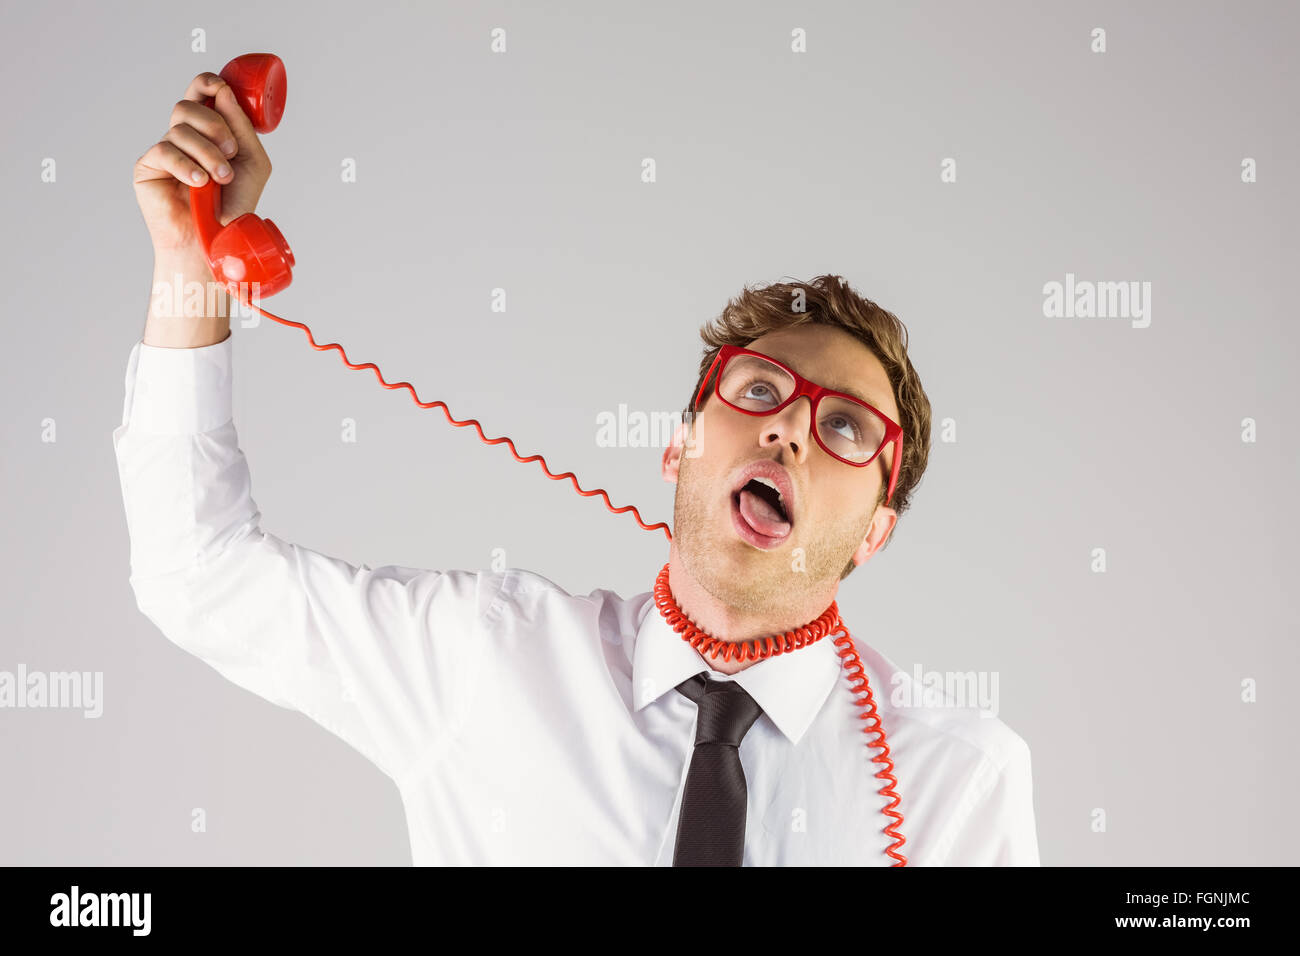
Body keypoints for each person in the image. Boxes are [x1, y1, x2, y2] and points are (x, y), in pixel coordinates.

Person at [117, 70, 1040, 866]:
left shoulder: (957, 780)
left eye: (843, 428)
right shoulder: (488, 658)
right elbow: (197, 573)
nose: (788, 432)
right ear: (679, 444)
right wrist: (187, 270)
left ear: (875, 532)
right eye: (759, 391)